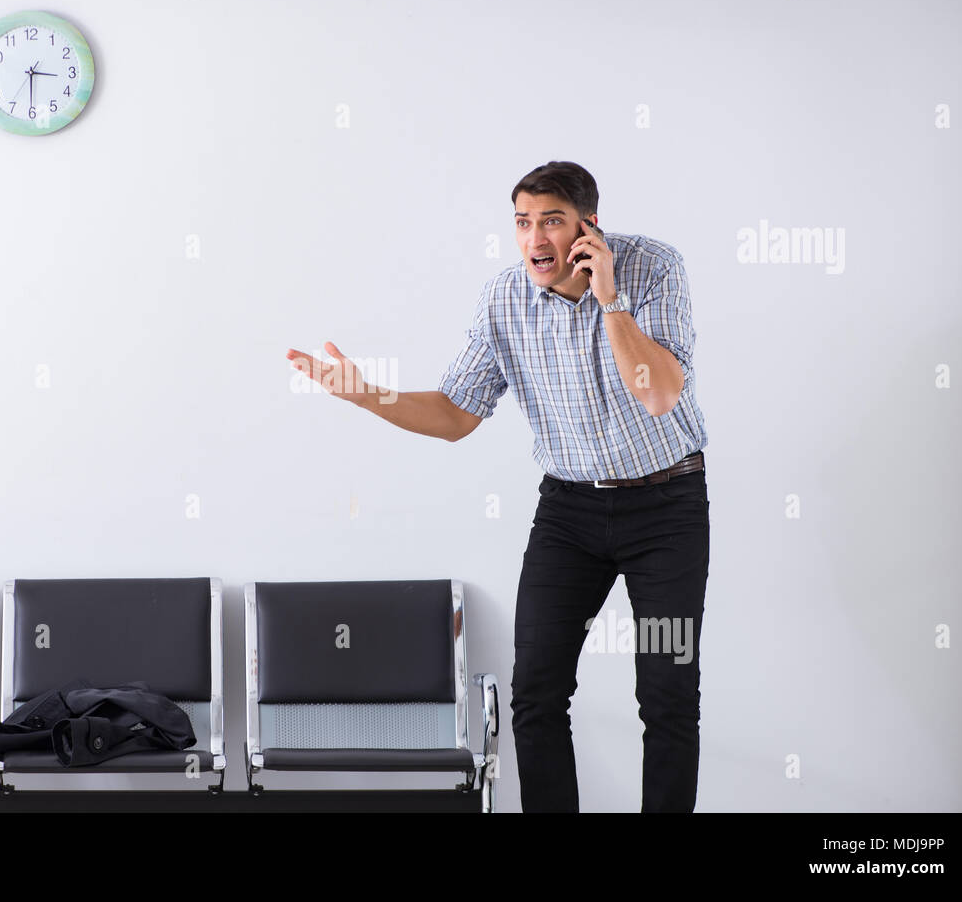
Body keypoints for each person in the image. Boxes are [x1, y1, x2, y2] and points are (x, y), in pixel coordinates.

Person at [286, 160, 709, 812]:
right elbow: (457, 413)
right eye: (523, 223)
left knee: (667, 691)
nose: (536, 239)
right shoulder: (505, 299)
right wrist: (365, 395)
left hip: (667, 507)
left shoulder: (655, 267)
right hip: (569, 510)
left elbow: (659, 396)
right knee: (536, 692)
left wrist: (611, 303)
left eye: (552, 222)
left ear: (589, 227)